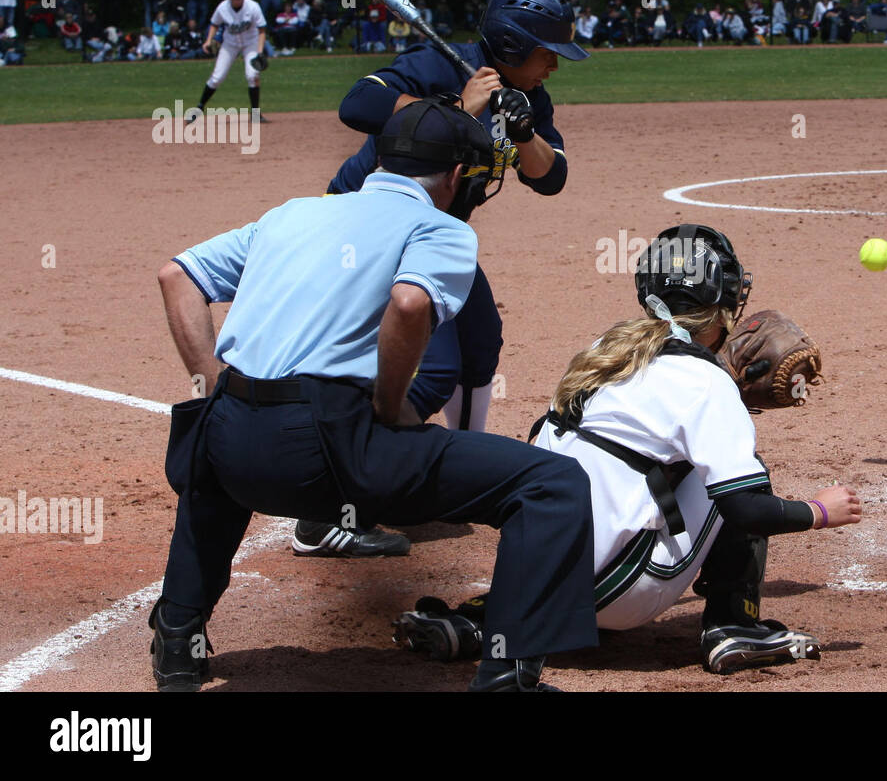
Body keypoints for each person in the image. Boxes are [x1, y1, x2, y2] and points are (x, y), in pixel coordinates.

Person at [149, 99, 598, 692]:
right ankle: (508, 675)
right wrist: (388, 408)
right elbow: (410, 304)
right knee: (552, 484)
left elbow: (177, 275)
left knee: (217, 438)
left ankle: (179, 639)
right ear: (458, 176)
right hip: (330, 454)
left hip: (229, 450)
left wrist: (213, 386)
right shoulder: (441, 228)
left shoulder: (293, 213)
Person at [393, 224, 861, 674]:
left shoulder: (606, 350)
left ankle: (477, 622)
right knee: (740, 474)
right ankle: (734, 626)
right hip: (621, 596)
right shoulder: (708, 383)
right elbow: (745, 510)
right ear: (723, 302)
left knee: (582, 461)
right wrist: (819, 510)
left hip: (539, 583)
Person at [301, 0, 590, 556]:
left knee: (480, 342)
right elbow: (356, 106)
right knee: (433, 370)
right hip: (367, 226)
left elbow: (550, 176)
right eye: (546, 52)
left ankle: (452, 477)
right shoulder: (436, 63)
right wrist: (459, 108)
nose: (555, 65)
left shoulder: (526, 93)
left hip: (434, 233)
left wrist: (523, 126)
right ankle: (330, 510)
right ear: (510, 45)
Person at [189, 0, 268, 123]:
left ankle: (256, 114)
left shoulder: (253, 7)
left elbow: (262, 30)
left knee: (252, 75)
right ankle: (198, 109)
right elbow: (214, 24)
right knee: (217, 77)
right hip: (230, 44)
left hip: (250, 43)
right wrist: (208, 40)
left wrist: (260, 51)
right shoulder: (223, 7)